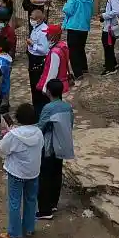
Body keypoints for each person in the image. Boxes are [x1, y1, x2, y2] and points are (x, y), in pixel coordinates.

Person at [0, 103, 44, 238]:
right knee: (31, 200)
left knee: (14, 202)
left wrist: (5, 133)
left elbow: (2, 149)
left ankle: (14, 233)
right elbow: (40, 147)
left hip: (17, 173)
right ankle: (29, 229)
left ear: (18, 117)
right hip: (33, 172)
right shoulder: (38, 132)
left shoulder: (14, 134)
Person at [36, 79, 74, 220]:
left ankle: (45, 210)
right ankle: (53, 203)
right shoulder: (67, 107)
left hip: (49, 147)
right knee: (57, 174)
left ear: (49, 92)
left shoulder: (48, 108)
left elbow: (41, 127)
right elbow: (70, 124)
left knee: (45, 177)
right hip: (62, 145)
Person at [61, 0, 94, 81]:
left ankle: (78, 73)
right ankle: (84, 68)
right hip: (84, 26)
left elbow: (67, 10)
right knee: (81, 48)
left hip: (74, 26)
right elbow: (91, 12)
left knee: (73, 51)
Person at [36, 24, 69, 115]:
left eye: (48, 34)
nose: (46, 35)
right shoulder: (62, 46)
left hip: (53, 86)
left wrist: (45, 88)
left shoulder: (55, 52)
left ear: (53, 36)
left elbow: (52, 73)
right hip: (60, 83)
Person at [25, 8, 51, 112]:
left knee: (38, 86)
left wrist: (32, 45)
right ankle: (36, 107)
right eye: (30, 18)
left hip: (40, 60)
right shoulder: (35, 28)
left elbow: (44, 50)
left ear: (40, 19)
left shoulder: (44, 31)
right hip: (32, 58)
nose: (31, 20)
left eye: (33, 18)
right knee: (33, 85)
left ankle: (41, 109)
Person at [0, 37, 14, 124]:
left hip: (1, 90)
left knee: (2, 111)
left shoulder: (1, 62)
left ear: (0, 48)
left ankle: (9, 126)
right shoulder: (6, 57)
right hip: (5, 88)